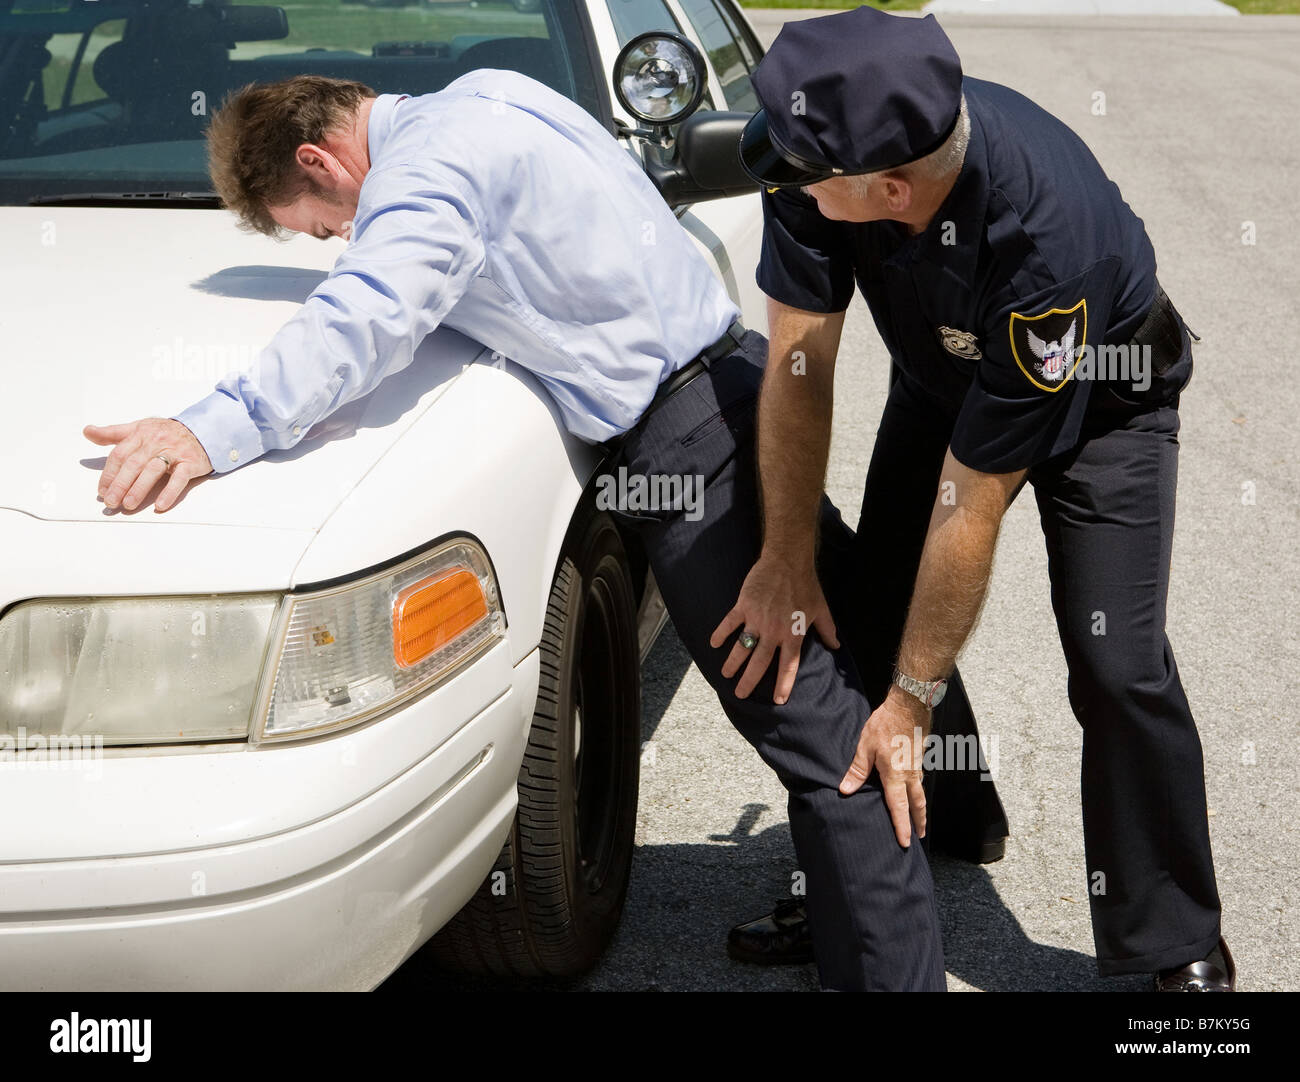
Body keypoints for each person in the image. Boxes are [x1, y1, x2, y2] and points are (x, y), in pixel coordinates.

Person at [82, 69, 948, 990]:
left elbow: (366, 315)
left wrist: (207, 429)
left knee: (811, 733)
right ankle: (963, 818)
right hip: (740, 383)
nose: (343, 238)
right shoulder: (495, 91)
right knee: (853, 613)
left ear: (318, 157)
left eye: (327, 222)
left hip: (687, 443)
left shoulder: (423, 175)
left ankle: (889, 969)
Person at [727, 6, 1233, 992]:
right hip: (946, 376)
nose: (776, 170)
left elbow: (971, 505)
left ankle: (1172, 940)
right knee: (867, 597)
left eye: (803, 166)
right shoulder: (815, 160)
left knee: (1115, 661)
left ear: (889, 187)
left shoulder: (1043, 239)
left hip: (1104, 406)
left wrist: (912, 697)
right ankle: (914, 842)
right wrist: (786, 553)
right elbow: (797, 363)